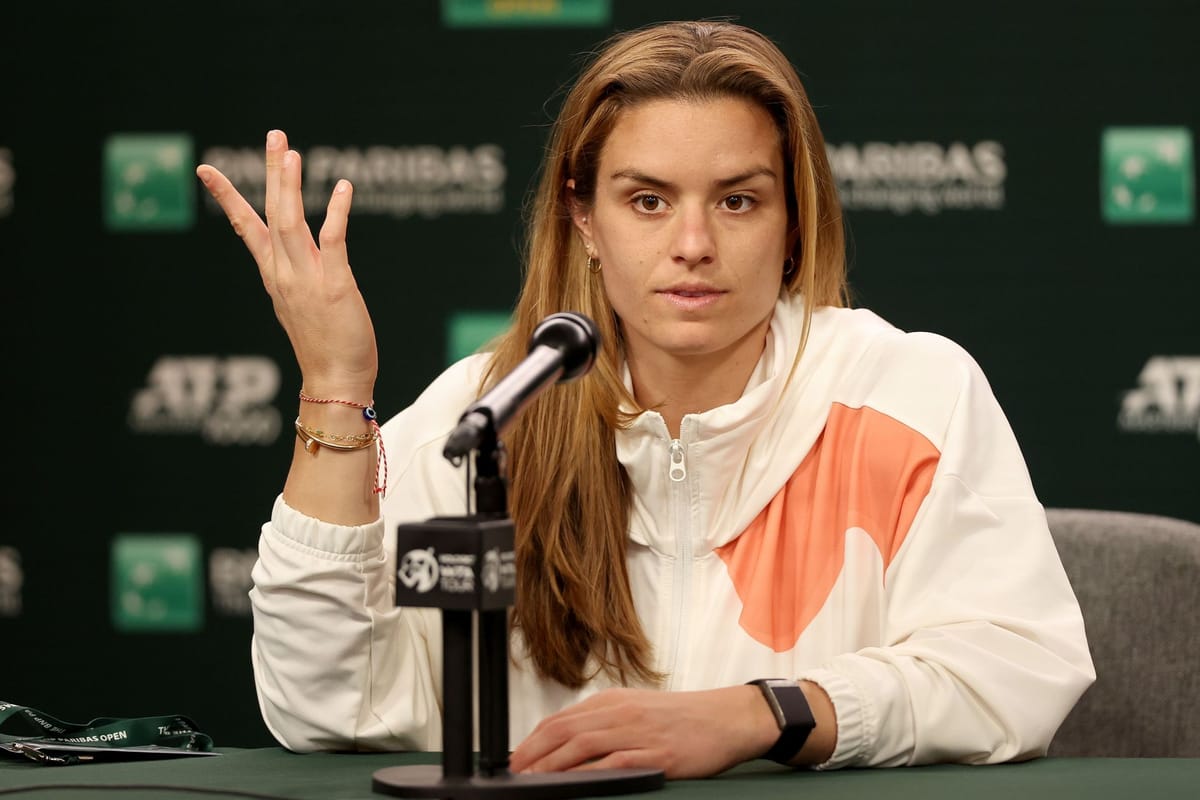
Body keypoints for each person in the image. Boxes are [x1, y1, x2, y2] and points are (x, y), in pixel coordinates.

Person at [195, 19, 1095, 777]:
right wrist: (336, 387)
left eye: (738, 201)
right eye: (649, 201)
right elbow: (320, 705)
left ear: (793, 222)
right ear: (585, 217)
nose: (694, 244)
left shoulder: (908, 391)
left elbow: (1014, 669)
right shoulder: (488, 412)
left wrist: (761, 715)